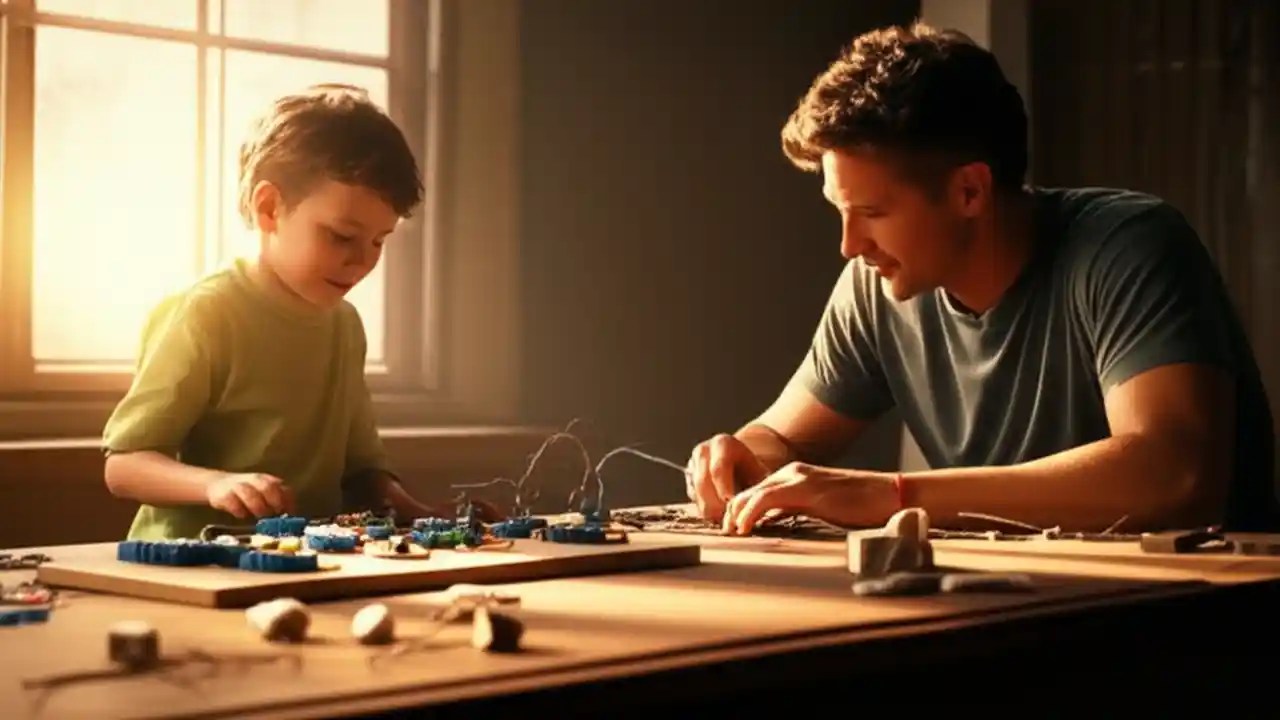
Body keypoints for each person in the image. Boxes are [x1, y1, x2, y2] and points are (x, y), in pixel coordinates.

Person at [686, 22, 1277, 537]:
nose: (849, 245)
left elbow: (1176, 474)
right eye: (839, 212)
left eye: (871, 213)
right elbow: (784, 441)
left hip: (1200, 624)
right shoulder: (878, 285)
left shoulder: (1128, 246)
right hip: (1016, 612)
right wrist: (740, 460)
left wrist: (895, 495)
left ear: (970, 191)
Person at [102, 84, 488, 540]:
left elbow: (362, 471)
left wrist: (421, 514)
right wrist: (217, 484)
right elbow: (124, 466)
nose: (363, 260)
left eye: (379, 241)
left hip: (307, 565)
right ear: (269, 209)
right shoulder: (205, 314)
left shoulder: (344, 325)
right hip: (191, 566)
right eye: (342, 236)